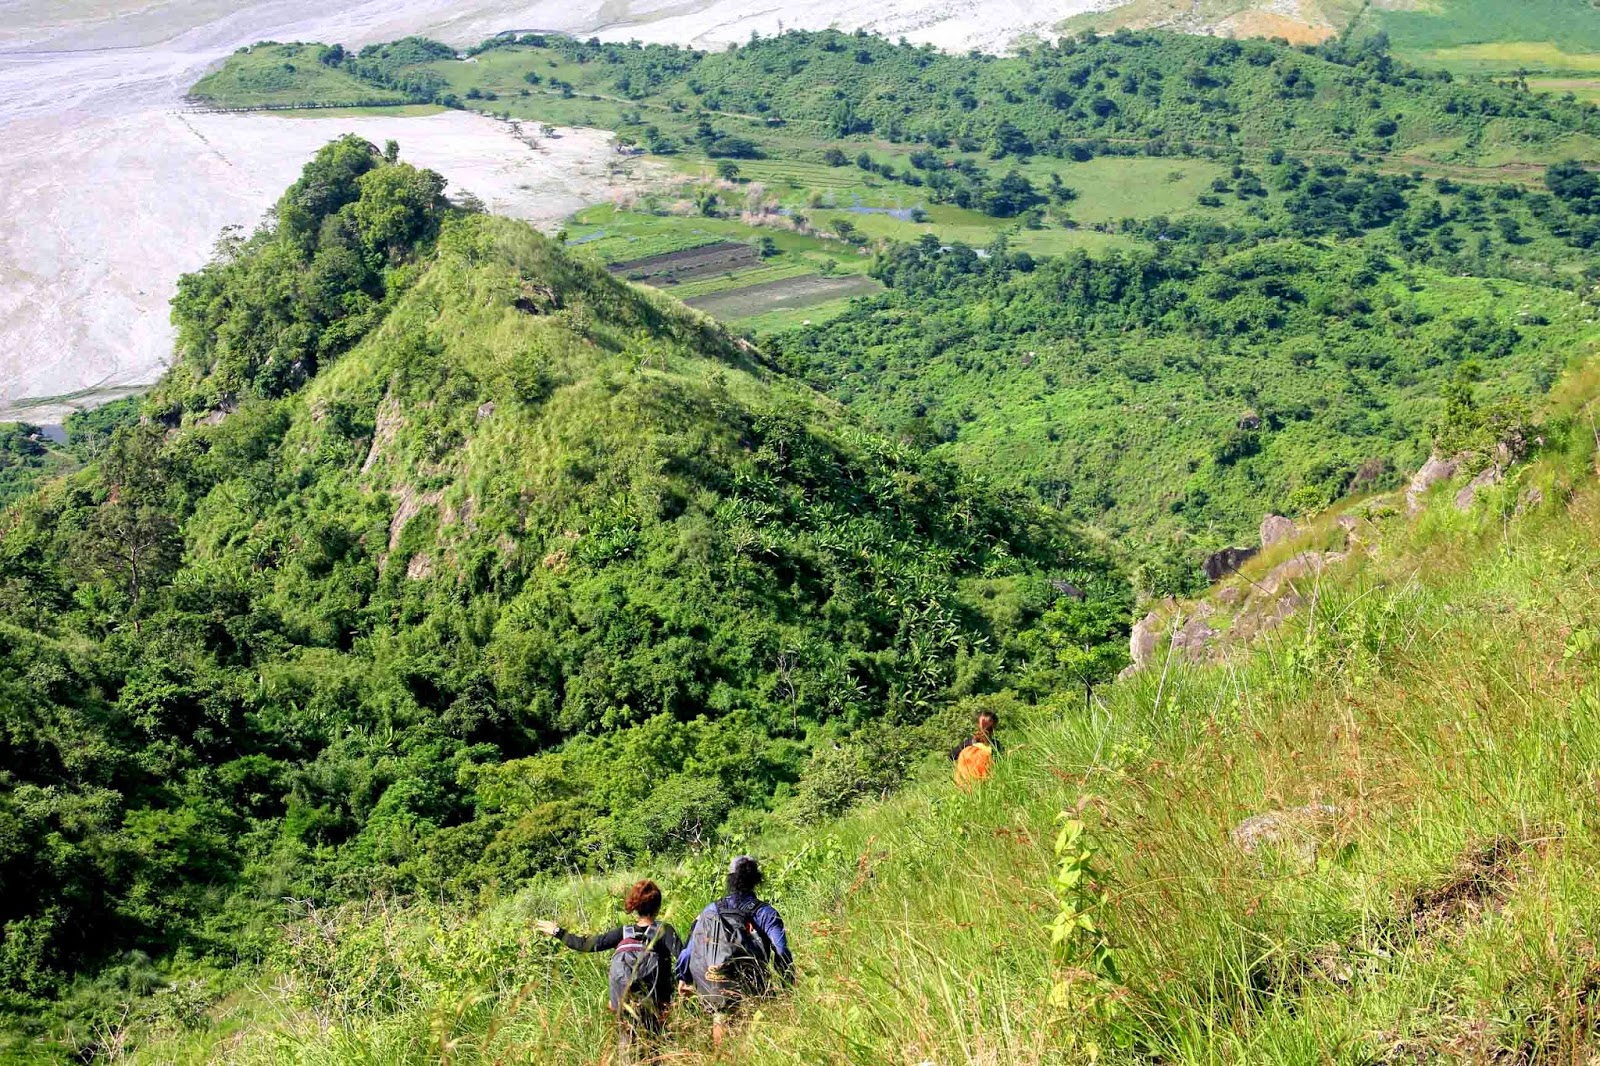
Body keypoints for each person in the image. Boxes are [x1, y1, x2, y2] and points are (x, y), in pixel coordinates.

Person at [535, 879, 683, 1064]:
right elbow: (683, 958)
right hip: (656, 1004)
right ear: (658, 905)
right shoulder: (664, 930)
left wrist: (558, 931)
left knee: (629, 1052)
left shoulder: (624, 932)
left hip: (625, 1005)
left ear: (635, 906)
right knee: (657, 1053)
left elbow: (585, 945)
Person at [677, 855, 793, 1043]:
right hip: (752, 983)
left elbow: (688, 952)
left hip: (715, 981)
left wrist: (683, 977)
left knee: (720, 1017)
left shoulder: (711, 910)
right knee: (753, 1032)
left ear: (730, 879)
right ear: (757, 879)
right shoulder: (765, 912)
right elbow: (781, 951)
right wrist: (787, 984)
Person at [950, 708, 1002, 787]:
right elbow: (1001, 765)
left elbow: (951, 756)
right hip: (988, 786)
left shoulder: (968, 743)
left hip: (966, 786)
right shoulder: (996, 745)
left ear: (978, 724)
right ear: (994, 727)